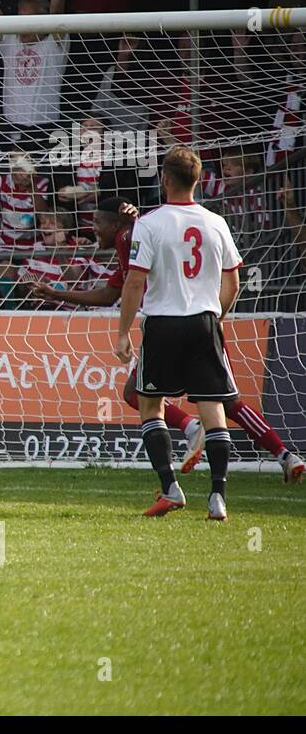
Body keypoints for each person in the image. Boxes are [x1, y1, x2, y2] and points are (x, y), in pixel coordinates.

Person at [31, 196, 304, 483]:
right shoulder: (131, 246)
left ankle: (186, 456)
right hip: (200, 324)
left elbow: (137, 268)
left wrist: (136, 222)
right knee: (220, 402)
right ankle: (282, 456)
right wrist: (56, 293)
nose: (93, 228)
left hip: (167, 326)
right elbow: (110, 293)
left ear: (115, 222)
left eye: (98, 221)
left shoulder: (129, 237)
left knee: (148, 397)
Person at [113, 148, 243, 521]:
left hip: (163, 324)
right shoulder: (216, 222)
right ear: (198, 179)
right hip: (204, 321)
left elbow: (135, 281)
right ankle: (217, 496)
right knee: (212, 407)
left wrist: (123, 333)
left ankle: (170, 489)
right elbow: (232, 281)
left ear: (165, 179)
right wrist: (217, 315)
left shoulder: (150, 223)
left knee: (150, 405)